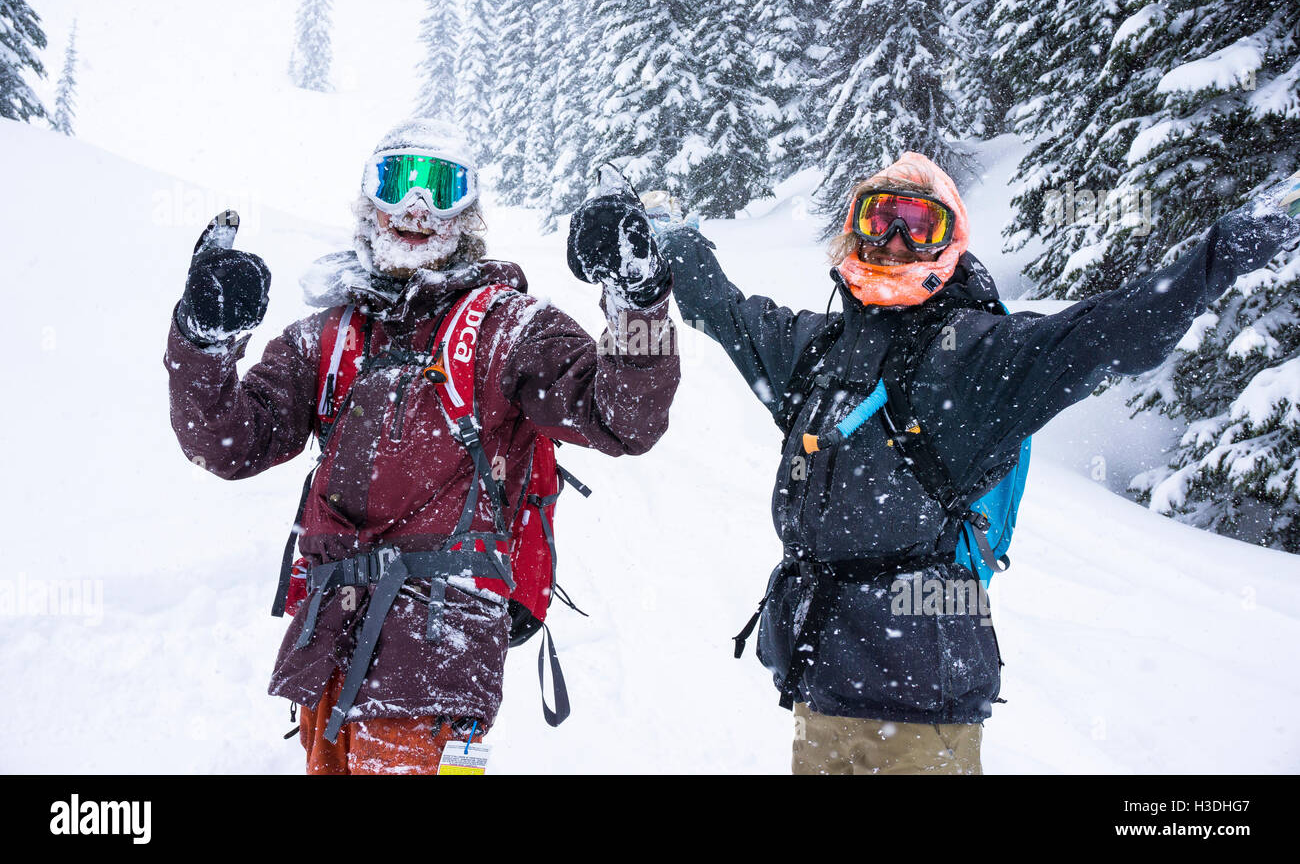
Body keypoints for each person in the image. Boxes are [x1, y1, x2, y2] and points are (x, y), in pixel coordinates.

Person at [656, 151, 1300, 775]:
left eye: (920, 222)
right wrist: (667, 238)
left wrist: (1228, 249)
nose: (898, 239)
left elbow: (1113, 328)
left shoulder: (977, 360)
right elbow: (726, 310)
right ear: (852, 229)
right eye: (881, 219)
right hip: (819, 691)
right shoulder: (822, 352)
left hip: (918, 710)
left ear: (950, 240)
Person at [164, 120, 679, 774]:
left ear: (466, 212)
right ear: (367, 201)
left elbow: (622, 418)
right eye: (397, 181)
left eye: (440, 185)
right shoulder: (326, 335)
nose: (415, 205)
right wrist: (203, 341)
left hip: (437, 654)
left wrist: (639, 306)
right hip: (329, 642)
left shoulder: (507, 327)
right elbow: (226, 444)